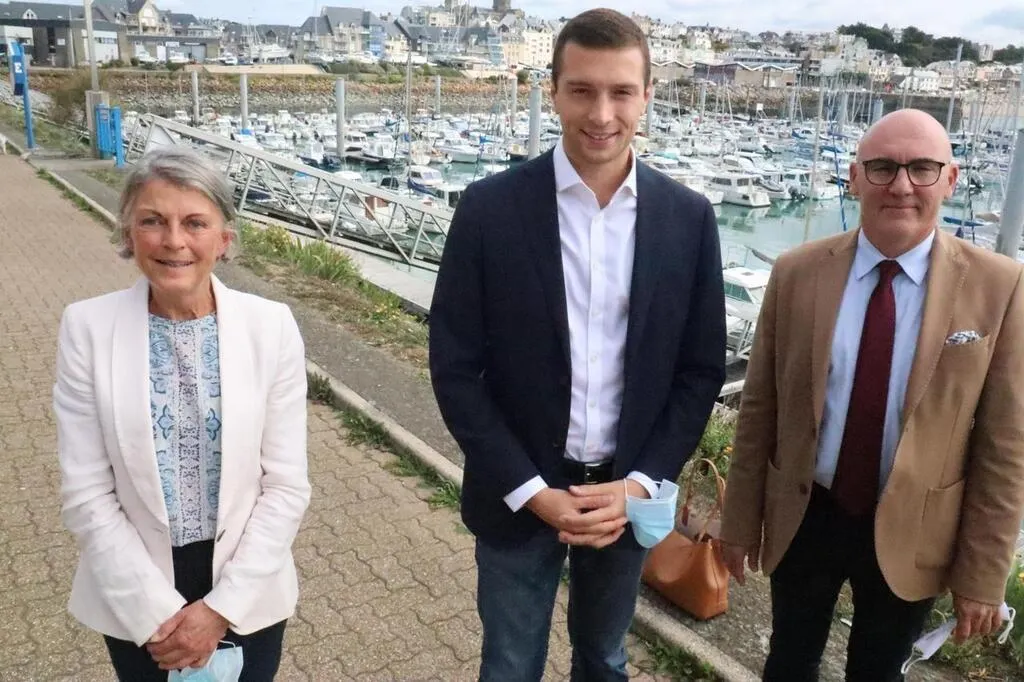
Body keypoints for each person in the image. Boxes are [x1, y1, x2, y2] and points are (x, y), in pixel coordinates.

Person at [429, 9, 726, 681]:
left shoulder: (688, 220)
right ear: (554, 90)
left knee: (605, 659)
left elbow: (699, 371)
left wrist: (642, 482)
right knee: (508, 665)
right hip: (519, 492)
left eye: (621, 91)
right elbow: (455, 370)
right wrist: (533, 491)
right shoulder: (487, 210)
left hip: (625, 495)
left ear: (648, 96)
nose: (601, 112)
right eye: (583, 90)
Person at [719, 109, 1024, 681]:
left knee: (880, 671)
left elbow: (1005, 445)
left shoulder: (999, 287)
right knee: (787, 660)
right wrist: (737, 522)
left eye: (922, 168)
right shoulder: (795, 272)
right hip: (809, 510)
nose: (902, 185)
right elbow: (759, 408)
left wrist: (983, 575)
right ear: (855, 178)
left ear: (951, 179)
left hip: (915, 523)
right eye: (882, 168)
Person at [53, 147, 311, 681]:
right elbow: (86, 493)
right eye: (153, 221)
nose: (174, 241)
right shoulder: (86, 328)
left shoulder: (272, 326)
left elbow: (286, 486)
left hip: (246, 586)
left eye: (195, 222)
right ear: (128, 234)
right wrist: (156, 614)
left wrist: (219, 610)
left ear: (224, 239)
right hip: (135, 589)